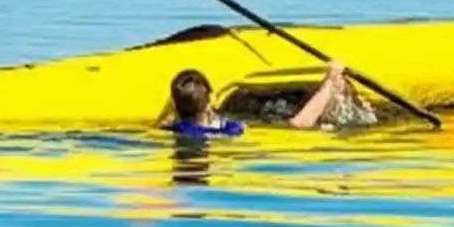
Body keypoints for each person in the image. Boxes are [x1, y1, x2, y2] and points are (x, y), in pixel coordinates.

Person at [159, 60, 377, 136]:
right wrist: (329, 81)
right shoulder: (231, 131)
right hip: (279, 129)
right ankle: (330, 84)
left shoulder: (170, 129)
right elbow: (298, 125)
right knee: (298, 124)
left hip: (196, 118)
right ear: (210, 98)